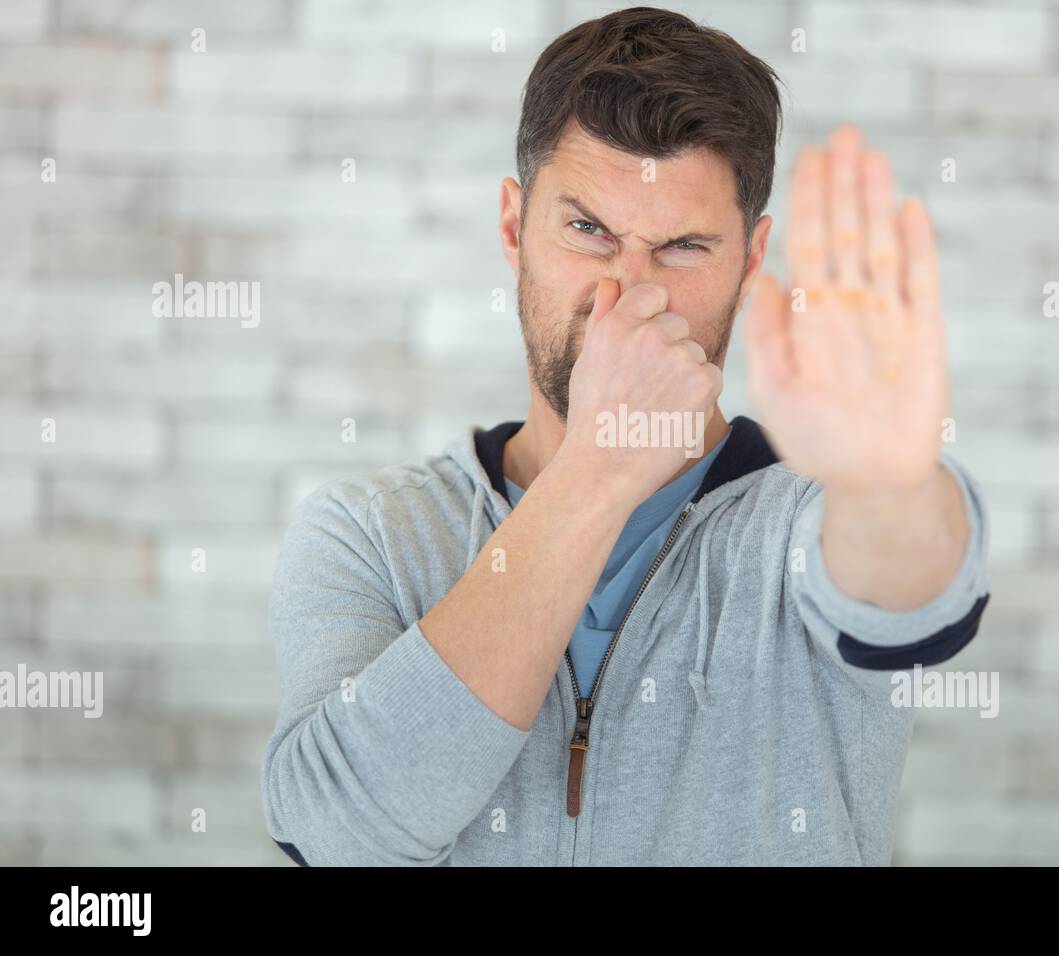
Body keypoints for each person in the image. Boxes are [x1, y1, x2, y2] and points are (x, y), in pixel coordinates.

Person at [261, 5, 990, 866]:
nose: (628, 293)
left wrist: (887, 479)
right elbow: (333, 832)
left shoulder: (811, 525)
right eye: (587, 230)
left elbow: (908, 578)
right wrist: (602, 469)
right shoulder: (371, 535)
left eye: (683, 246)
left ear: (751, 265)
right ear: (511, 227)